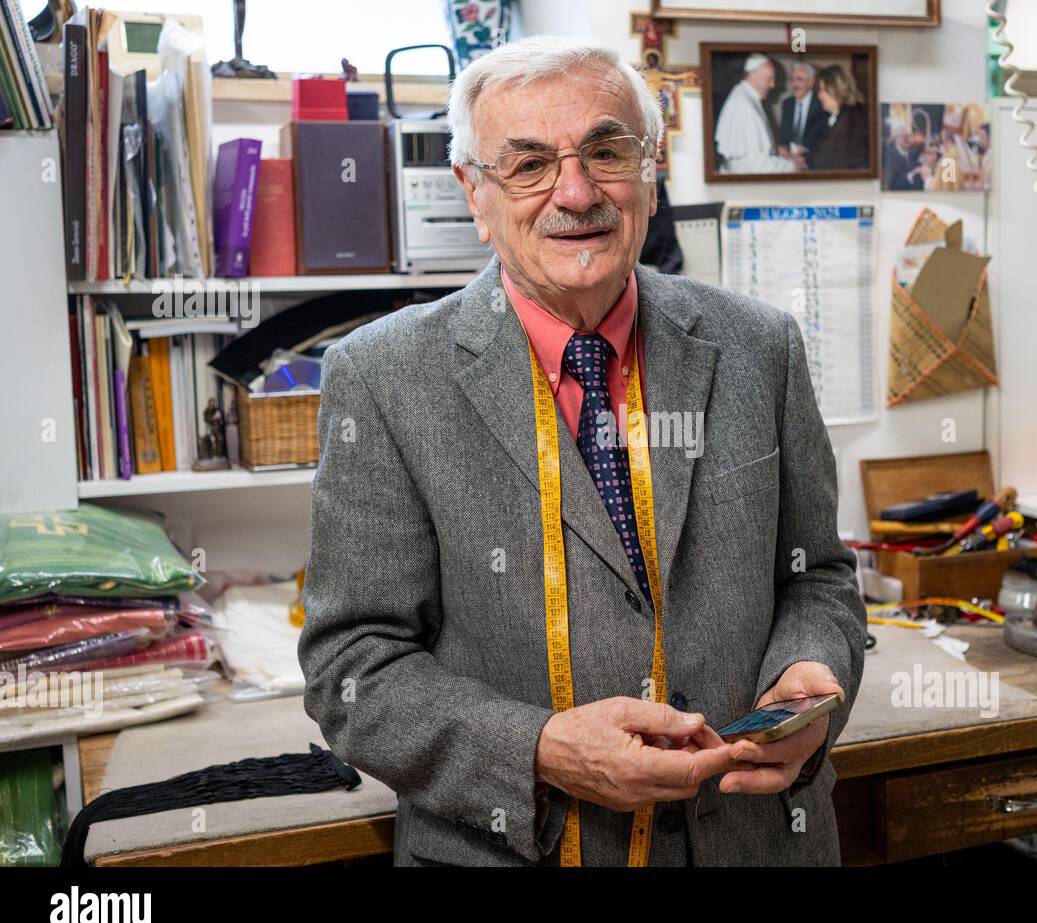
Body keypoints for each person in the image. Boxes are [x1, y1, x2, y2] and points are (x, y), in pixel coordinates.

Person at [298, 35, 867, 867]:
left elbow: (816, 575)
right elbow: (353, 667)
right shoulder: (382, 378)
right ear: (473, 193)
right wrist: (539, 749)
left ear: (650, 166)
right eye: (528, 165)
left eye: (606, 151)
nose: (576, 192)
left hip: (755, 840)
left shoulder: (761, 348)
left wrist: (809, 677)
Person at [713, 53, 796, 173]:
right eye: (770, 79)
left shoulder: (744, 95)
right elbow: (757, 167)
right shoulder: (744, 106)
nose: (772, 85)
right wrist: (792, 166)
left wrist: (774, 150)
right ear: (753, 74)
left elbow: (753, 150)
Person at [807, 64, 871, 170]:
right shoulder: (835, 117)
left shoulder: (855, 121)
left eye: (823, 89)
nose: (819, 95)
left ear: (837, 89)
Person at [776, 61, 828, 164]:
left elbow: (826, 140)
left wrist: (807, 150)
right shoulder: (787, 104)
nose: (794, 84)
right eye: (792, 79)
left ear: (811, 82)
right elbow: (783, 137)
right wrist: (783, 148)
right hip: (789, 163)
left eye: (799, 79)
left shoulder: (822, 104)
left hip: (813, 163)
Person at [882, 119, 924, 191]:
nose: (909, 140)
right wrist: (911, 175)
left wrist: (922, 168)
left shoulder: (908, 152)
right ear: (897, 138)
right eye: (905, 137)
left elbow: (914, 164)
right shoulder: (890, 155)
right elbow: (891, 184)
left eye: (909, 136)